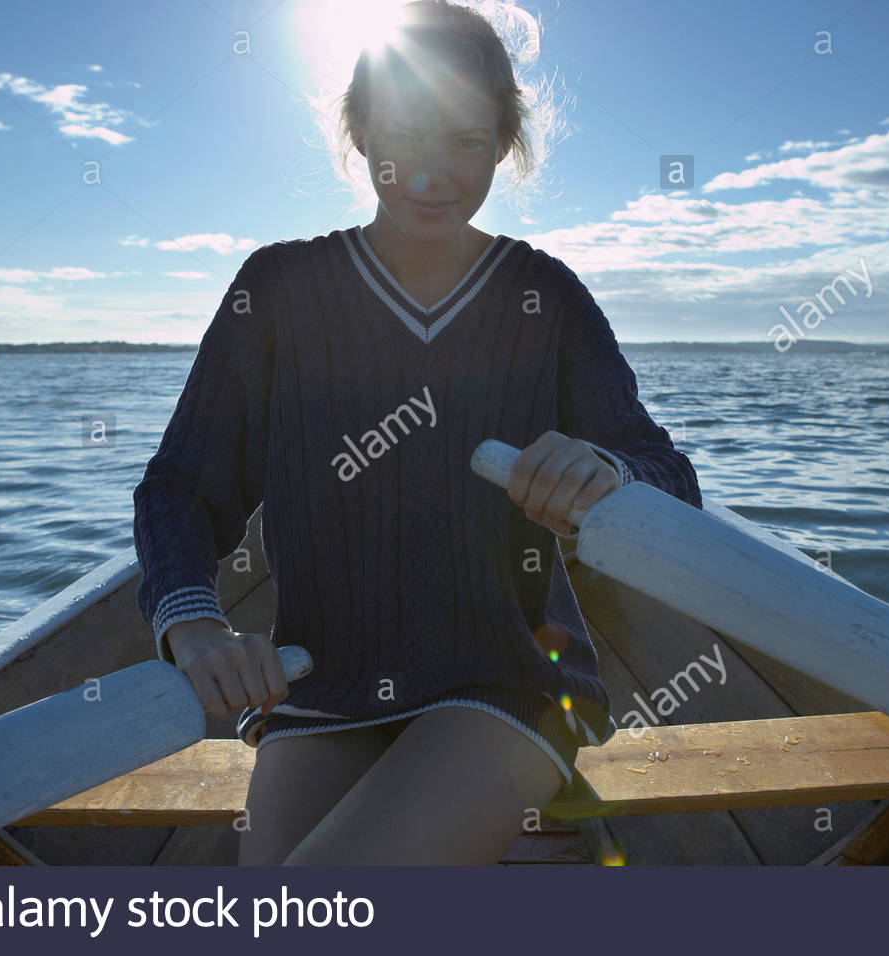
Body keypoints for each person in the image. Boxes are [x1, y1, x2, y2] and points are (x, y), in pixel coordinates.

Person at [132, 0, 701, 866]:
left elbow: (669, 476)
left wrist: (607, 472)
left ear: (506, 145)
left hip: (507, 683)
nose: (433, 175)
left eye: (468, 144)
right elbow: (180, 486)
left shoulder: (544, 297)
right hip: (317, 682)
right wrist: (194, 626)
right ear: (358, 131)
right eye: (406, 137)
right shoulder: (276, 290)